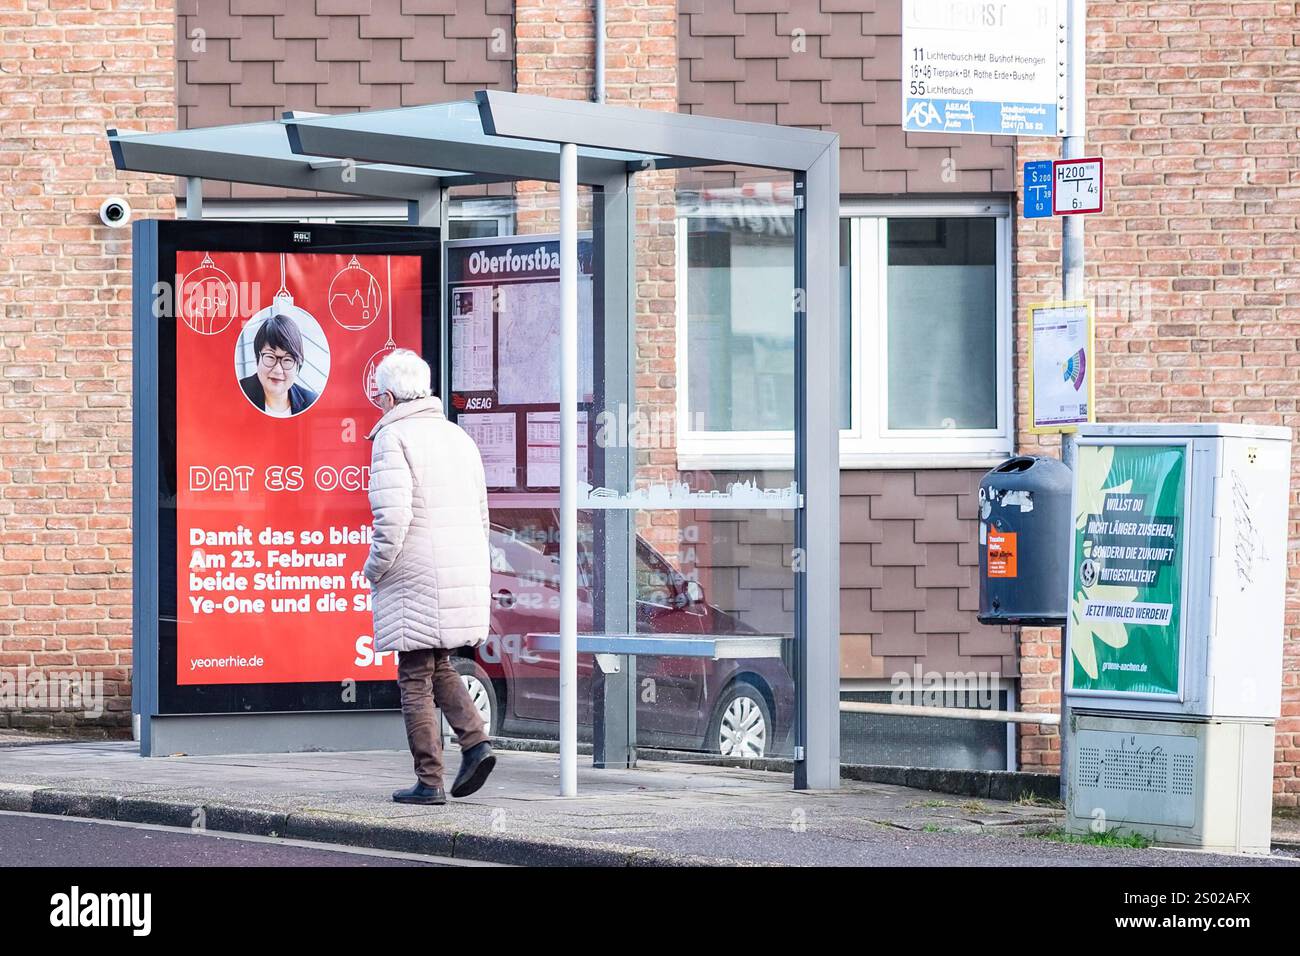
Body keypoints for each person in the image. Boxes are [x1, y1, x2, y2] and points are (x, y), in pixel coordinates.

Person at [363, 348, 496, 805]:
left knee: (414, 675)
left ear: (388, 396)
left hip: (415, 572)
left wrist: (374, 569)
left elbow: (392, 520)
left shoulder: (393, 438)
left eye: (379, 395)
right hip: (458, 567)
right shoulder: (457, 437)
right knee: (437, 663)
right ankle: (475, 743)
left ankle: (430, 780)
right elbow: (482, 515)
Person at [239, 313, 319, 417]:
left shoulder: (311, 402)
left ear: (298, 364)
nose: (278, 370)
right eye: (270, 357)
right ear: (257, 358)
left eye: (287, 360)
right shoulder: (237, 393)